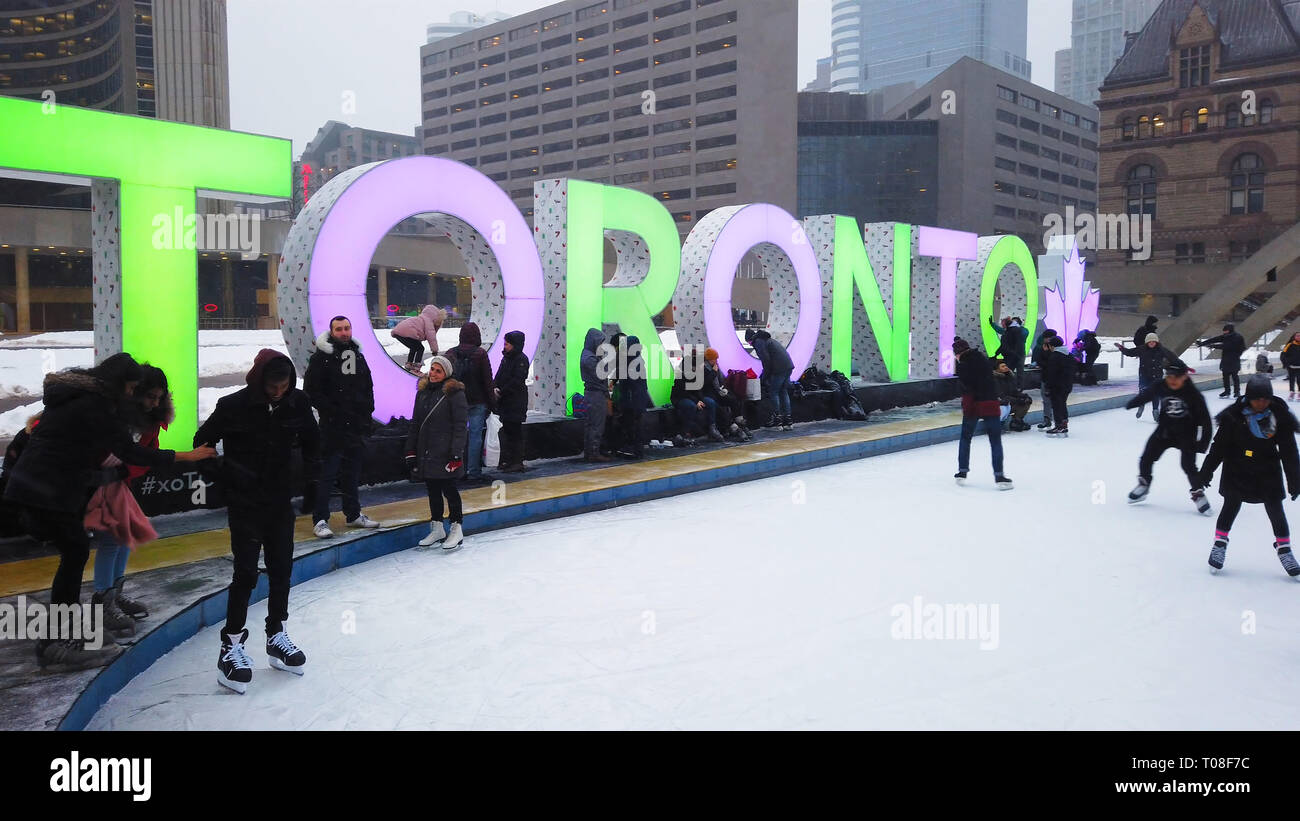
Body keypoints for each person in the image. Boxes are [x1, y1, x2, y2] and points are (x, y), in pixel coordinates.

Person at [4, 353, 213, 668]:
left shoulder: (81, 398)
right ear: (118, 384)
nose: (132, 395)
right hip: (45, 490)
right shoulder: (95, 406)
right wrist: (184, 457)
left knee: (78, 550)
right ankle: (56, 641)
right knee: (77, 551)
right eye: (131, 389)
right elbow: (128, 452)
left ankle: (64, 634)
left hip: (44, 488)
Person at [194, 350, 319, 694]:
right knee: (246, 573)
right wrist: (224, 476)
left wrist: (312, 484)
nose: (278, 392)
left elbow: (312, 442)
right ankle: (230, 645)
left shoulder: (297, 402)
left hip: (279, 502)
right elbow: (202, 442)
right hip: (246, 504)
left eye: (284, 385)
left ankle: (276, 633)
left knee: (281, 569)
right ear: (259, 379)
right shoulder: (232, 405)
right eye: (272, 386)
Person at [85, 364, 175, 643]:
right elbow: (125, 454)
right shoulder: (117, 420)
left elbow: (144, 454)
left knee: (124, 537)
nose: (155, 403)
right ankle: (104, 601)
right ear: (134, 393)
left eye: (160, 398)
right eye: (150, 397)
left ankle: (113, 595)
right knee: (113, 540)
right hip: (99, 483)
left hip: (118, 481)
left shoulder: (145, 419)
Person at [1197, 374, 1300, 577]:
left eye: (1265, 399)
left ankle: (1284, 549)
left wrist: (1295, 479)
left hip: (1267, 469)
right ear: (1248, 397)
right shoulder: (1234, 416)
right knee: (1231, 504)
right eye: (1256, 398)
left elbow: (1289, 451)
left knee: (1275, 508)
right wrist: (1206, 472)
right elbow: (1219, 447)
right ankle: (1219, 544)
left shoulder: (1279, 416)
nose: (1261, 403)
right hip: (1237, 467)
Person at [305, 315, 379, 538]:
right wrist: (332, 412)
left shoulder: (358, 356)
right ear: (331, 332)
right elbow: (312, 391)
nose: (344, 332)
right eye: (339, 329)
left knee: (352, 472)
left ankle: (353, 514)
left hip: (355, 427)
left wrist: (366, 414)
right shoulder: (320, 359)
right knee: (327, 474)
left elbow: (368, 386)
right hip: (333, 427)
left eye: (347, 328)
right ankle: (320, 519)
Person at [1124, 364, 1213, 513]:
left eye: (1176, 378)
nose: (1172, 381)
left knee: (1188, 466)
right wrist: (1134, 402)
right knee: (1147, 457)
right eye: (1169, 377)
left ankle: (1198, 494)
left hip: (1186, 434)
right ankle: (1144, 484)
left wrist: (1202, 444)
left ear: (1185, 377)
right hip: (1165, 431)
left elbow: (1206, 422)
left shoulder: (1194, 395)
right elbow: (1148, 394)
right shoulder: (1162, 385)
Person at [405, 356, 467, 552]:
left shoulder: (454, 394)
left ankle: (456, 528)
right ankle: (437, 527)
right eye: (432, 369)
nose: (433, 374)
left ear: (446, 374)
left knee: (449, 490)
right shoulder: (422, 393)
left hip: (446, 452)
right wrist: (411, 450)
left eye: (438, 371)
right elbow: (415, 423)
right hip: (427, 451)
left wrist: (456, 454)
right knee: (432, 490)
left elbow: (460, 426)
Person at [952, 338, 1012, 489]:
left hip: (973, 405)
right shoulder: (984, 360)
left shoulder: (963, 366)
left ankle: (962, 471)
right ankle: (999, 476)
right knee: (995, 440)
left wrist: (968, 406)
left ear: (958, 354)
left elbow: (966, 389)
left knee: (966, 438)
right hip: (990, 403)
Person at [444, 322, 496, 481]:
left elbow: (445, 379)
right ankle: (473, 471)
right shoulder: (480, 354)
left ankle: (455, 469)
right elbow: (487, 381)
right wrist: (493, 404)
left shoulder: (450, 353)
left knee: (456, 436)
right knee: (475, 437)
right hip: (477, 401)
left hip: (455, 401)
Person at [1115, 332, 1188, 419]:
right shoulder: (1142, 349)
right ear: (1147, 342)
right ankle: (1141, 405)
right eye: (1150, 342)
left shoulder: (1161, 350)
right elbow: (1130, 352)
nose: (1152, 343)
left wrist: (1184, 367)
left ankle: (1155, 410)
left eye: (1154, 342)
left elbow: (1173, 358)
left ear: (1156, 342)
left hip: (1156, 375)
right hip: (1144, 374)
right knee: (1143, 390)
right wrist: (1121, 348)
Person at [493, 330, 530, 473]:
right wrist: (495, 386)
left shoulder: (521, 359)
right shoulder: (506, 358)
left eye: (507, 344)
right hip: (506, 400)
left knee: (515, 431)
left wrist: (501, 391)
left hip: (516, 400)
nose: (505, 346)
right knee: (508, 430)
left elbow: (517, 380)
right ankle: (509, 460)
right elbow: (499, 374)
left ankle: (517, 461)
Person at [612, 335, 653, 458]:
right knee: (635, 425)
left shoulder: (631, 362)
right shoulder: (635, 359)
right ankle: (636, 449)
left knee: (632, 425)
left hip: (632, 400)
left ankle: (634, 449)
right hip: (637, 400)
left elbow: (629, 382)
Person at [672, 347, 723, 443]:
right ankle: (685, 432)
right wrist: (696, 401)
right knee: (690, 406)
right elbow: (683, 391)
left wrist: (700, 399)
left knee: (711, 402)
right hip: (681, 397)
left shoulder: (698, 370)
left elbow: (698, 387)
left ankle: (712, 428)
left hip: (694, 396)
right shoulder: (682, 372)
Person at [746, 329, 794, 430]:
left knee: (774, 392)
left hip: (779, 368)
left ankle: (778, 420)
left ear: (750, 339)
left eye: (749, 342)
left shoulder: (758, 342)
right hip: (788, 365)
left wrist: (764, 377)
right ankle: (788, 421)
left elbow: (766, 360)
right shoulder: (765, 339)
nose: (750, 345)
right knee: (783, 391)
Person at [702, 347, 750, 440]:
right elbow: (705, 383)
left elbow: (721, 380)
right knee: (719, 407)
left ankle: (739, 421)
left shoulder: (716, 366)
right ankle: (733, 427)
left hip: (717, 391)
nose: (716, 360)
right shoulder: (704, 368)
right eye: (714, 359)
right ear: (709, 359)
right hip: (708, 393)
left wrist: (724, 388)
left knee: (733, 399)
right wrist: (713, 372)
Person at [579, 327, 612, 461]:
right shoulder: (590, 358)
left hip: (593, 393)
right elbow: (601, 374)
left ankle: (590, 452)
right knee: (596, 425)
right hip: (595, 394)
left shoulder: (590, 355)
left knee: (591, 424)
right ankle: (593, 453)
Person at [390, 304, 445, 373]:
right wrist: (435, 350)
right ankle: (416, 368)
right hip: (407, 332)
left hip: (399, 332)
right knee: (420, 348)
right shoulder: (428, 322)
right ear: (435, 317)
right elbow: (431, 337)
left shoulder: (420, 318)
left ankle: (409, 364)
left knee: (414, 347)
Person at [1198, 323, 1246, 398]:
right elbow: (1215, 339)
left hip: (1234, 359)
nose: (1224, 332)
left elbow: (1227, 346)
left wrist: (1213, 346)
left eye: (1225, 331)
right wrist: (1203, 343)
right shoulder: (1226, 336)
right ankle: (1227, 391)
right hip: (1226, 359)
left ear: (1229, 330)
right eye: (1224, 331)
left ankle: (1237, 392)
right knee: (1225, 376)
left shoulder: (1237, 337)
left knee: (1234, 376)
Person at [1042, 335, 1075, 437]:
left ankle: (1059, 425)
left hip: (1057, 385)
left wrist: (1048, 386)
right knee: (1062, 404)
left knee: (1057, 405)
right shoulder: (1068, 354)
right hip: (1067, 384)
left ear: (1052, 346)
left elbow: (1051, 373)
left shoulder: (1055, 357)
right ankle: (1064, 424)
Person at [992, 359, 1032, 432]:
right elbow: (1001, 396)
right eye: (1003, 366)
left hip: (1008, 402)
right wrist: (1017, 400)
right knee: (1005, 407)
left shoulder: (1009, 376)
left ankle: (1016, 422)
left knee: (1026, 401)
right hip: (998, 404)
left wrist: (1024, 396)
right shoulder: (994, 379)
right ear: (997, 369)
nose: (1006, 367)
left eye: (1006, 365)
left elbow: (1014, 391)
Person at [1030, 326, 1058, 430]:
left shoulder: (1057, 349)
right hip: (1045, 377)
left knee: (1055, 400)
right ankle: (1047, 419)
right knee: (1046, 399)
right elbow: (1039, 360)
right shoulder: (1041, 347)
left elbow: (1052, 363)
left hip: (1054, 379)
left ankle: (1058, 422)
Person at [988, 315, 1028, 385]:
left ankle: (1018, 386)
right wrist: (993, 324)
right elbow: (1000, 330)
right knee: (1008, 371)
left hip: (1018, 354)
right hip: (1011, 355)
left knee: (1019, 371)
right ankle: (1011, 386)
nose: (1013, 323)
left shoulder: (1021, 330)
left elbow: (1023, 335)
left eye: (1015, 322)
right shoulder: (1008, 331)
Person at [1283, 331, 1300, 397]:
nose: (1299, 337)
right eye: (1297, 336)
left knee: (1299, 379)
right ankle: (1292, 391)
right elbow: (1283, 355)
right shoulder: (1290, 345)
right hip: (1291, 366)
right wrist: (1286, 363)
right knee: (1291, 379)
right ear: (1294, 337)